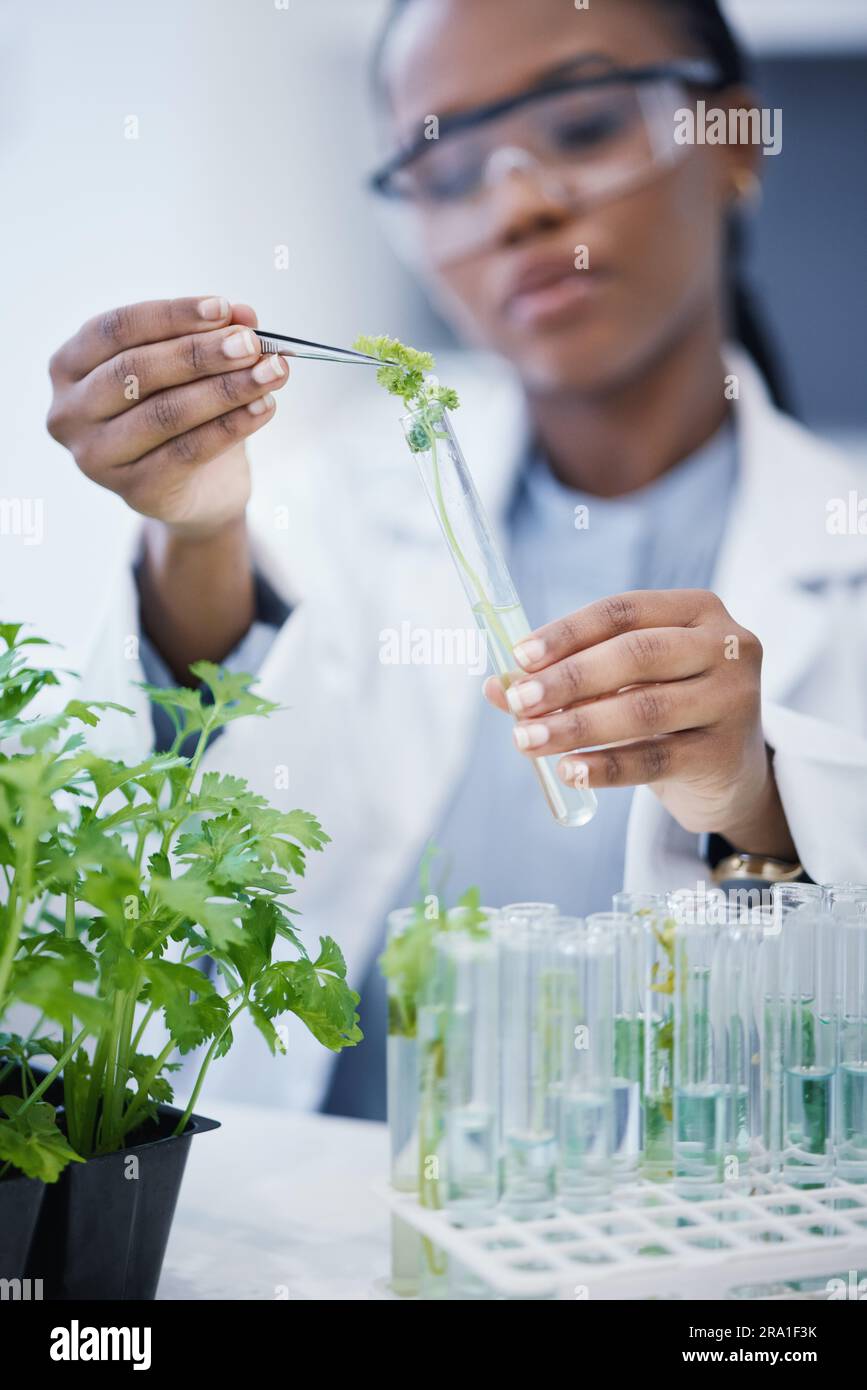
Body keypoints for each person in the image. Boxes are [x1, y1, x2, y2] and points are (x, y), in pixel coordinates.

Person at [45, 0, 867, 1118]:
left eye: (583, 127)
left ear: (730, 146)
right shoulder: (340, 499)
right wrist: (192, 529)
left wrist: (753, 804)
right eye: (448, 169)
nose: (520, 205)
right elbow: (171, 803)